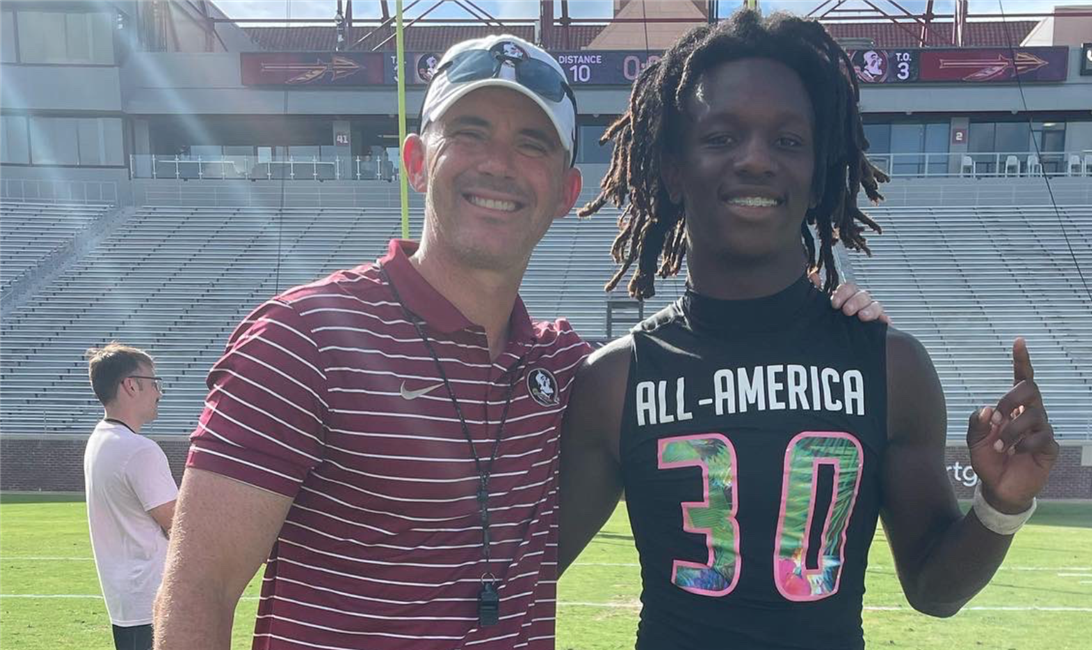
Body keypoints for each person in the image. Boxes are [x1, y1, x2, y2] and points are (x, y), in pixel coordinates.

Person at [153, 33, 886, 650]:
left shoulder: (567, 370)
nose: (499, 163)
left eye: (532, 143)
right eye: (469, 132)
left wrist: (828, 320)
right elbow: (198, 589)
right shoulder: (303, 337)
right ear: (416, 160)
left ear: (568, 192)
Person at [558, 10, 1059, 650]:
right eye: (721, 137)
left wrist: (1003, 505)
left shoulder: (889, 366)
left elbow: (934, 592)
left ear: (819, 172)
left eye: (788, 141)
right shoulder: (615, 379)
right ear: (675, 170)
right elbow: (520, 573)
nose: (757, 161)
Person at [84, 343, 177, 650]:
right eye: (154, 383)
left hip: (126, 599)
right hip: (150, 596)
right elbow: (178, 525)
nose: (160, 393)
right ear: (131, 385)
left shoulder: (100, 438)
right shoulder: (139, 450)